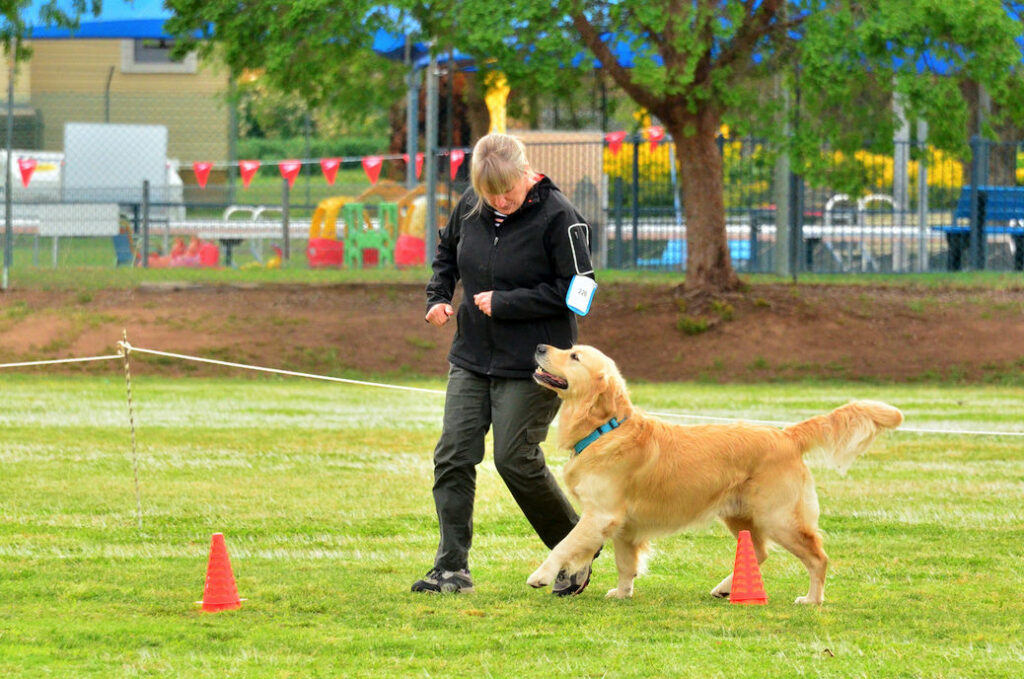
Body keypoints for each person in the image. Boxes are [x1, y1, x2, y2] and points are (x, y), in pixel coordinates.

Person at [412, 133, 596, 596]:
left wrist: (509, 302)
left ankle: (574, 554)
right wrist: (438, 297)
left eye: (507, 191)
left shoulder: (561, 217)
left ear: (525, 174)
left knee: (515, 458)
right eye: (490, 192)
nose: (500, 200)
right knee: (452, 454)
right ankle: (450, 568)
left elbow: (581, 292)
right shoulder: (472, 205)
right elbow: (446, 255)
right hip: (472, 356)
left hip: (535, 364)